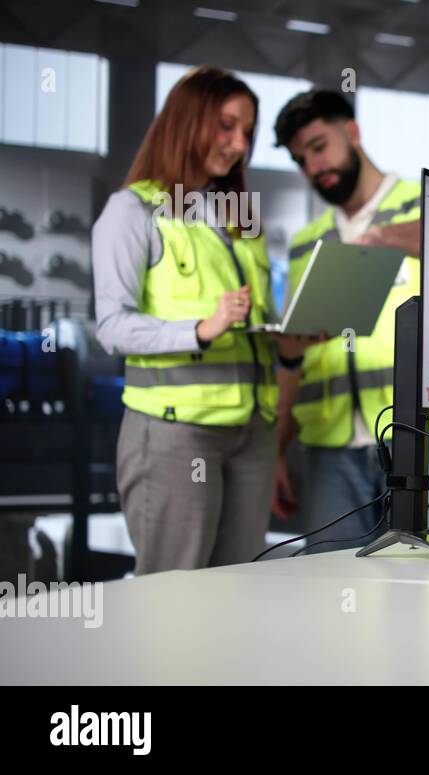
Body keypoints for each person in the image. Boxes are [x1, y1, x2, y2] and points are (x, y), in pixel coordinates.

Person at [93, 66, 314, 574]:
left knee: (236, 589)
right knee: (175, 598)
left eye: (248, 132)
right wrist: (198, 330)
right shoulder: (132, 212)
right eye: (226, 124)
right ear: (185, 121)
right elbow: (111, 324)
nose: (238, 143)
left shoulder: (241, 218)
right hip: (176, 434)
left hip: (252, 433)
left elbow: (258, 321)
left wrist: (290, 344)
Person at [270, 90, 429, 551]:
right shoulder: (305, 244)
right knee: (327, 583)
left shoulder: (428, 211)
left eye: (319, 147)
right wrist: (278, 449)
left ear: (352, 133)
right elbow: (292, 361)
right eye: (302, 159)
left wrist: (412, 238)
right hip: (329, 450)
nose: (314, 168)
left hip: (421, 436)